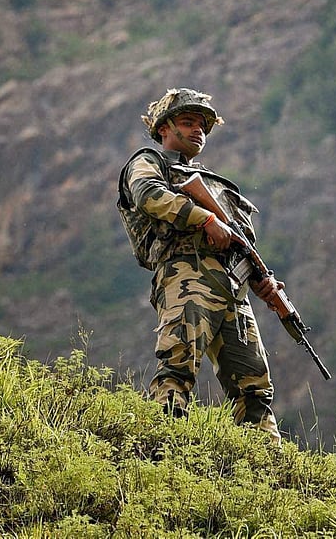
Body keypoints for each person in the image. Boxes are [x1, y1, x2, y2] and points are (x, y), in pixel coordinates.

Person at [117, 88, 283, 444]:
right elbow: (148, 195)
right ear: (164, 128)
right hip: (185, 275)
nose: (198, 131)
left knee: (254, 387)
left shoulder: (216, 184)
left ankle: (268, 471)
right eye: (188, 122)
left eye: (204, 126)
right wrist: (204, 218)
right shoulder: (150, 162)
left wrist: (262, 283)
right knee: (178, 367)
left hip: (233, 291)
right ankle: (163, 455)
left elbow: (240, 244)